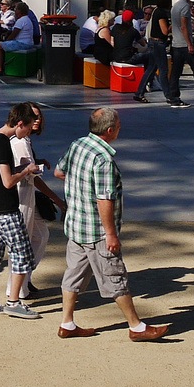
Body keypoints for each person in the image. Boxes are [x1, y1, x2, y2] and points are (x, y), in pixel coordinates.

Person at [54, 107, 170, 340]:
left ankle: (67, 323)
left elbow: (59, 172)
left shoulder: (78, 145)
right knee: (115, 277)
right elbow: (104, 199)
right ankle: (136, 327)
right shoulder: (103, 159)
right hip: (96, 231)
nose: (120, 128)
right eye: (118, 126)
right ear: (109, 131)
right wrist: (111, 234)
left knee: (73, 274)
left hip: (76, 225)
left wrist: (79, 183)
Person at [0, 102, 42, 318]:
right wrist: (27, 171)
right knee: (22, 254)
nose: (27, 133)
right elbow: (7, 182)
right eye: (28, 127)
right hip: (6, 208)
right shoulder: (4, 143)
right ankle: (13, 302)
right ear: (20, 123)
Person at [10, 104, 66, 300]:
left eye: (39, 116)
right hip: (21, 198)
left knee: (40, 235)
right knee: (22, 243)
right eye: (33, 116)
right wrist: (57, 198)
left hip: (27, 195)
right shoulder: (20, 142)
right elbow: (31, 176)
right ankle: (16, 288)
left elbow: (26, 166)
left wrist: (37, 161)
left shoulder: (25, 141)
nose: (37, 120)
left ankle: (24, 279)